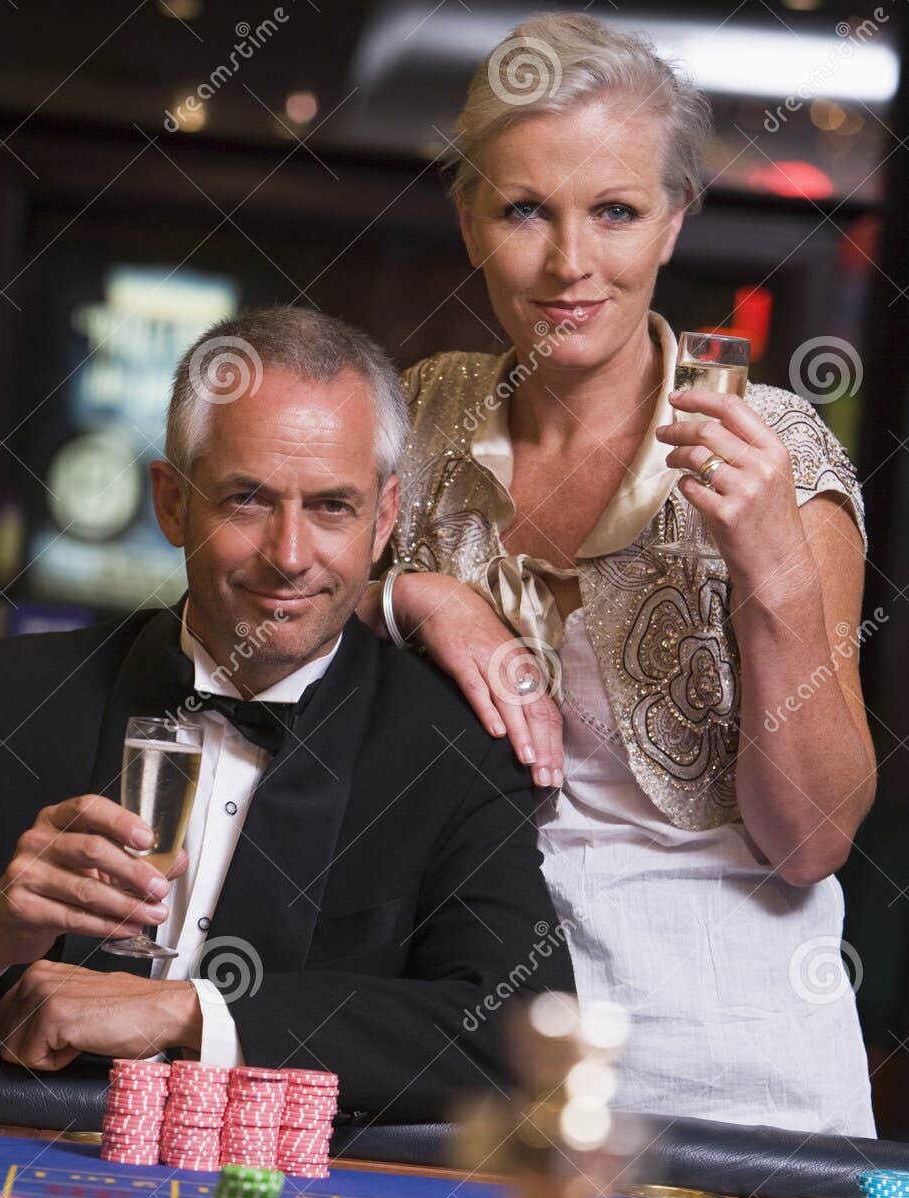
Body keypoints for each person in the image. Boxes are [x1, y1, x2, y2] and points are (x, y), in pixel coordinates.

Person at [0, 307, 571, 1124]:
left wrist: (193, 1013)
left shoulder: (453, 747)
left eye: (332, 506)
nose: (289, 555)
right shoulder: (8, 696)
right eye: (246, 500)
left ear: (384, 518)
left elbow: (520, 1035)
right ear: (171, 503)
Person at [363, 13, 877, 1135]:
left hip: (733, 1072)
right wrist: (408, 595)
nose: (569, 263)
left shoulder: (776, 449)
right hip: (463, 1052)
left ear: (673, 219)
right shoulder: (418, 411)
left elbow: (811, 841)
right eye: (523, 211)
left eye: (614, 211)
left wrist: (772, 570)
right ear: (467, 219)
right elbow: (263, 617)